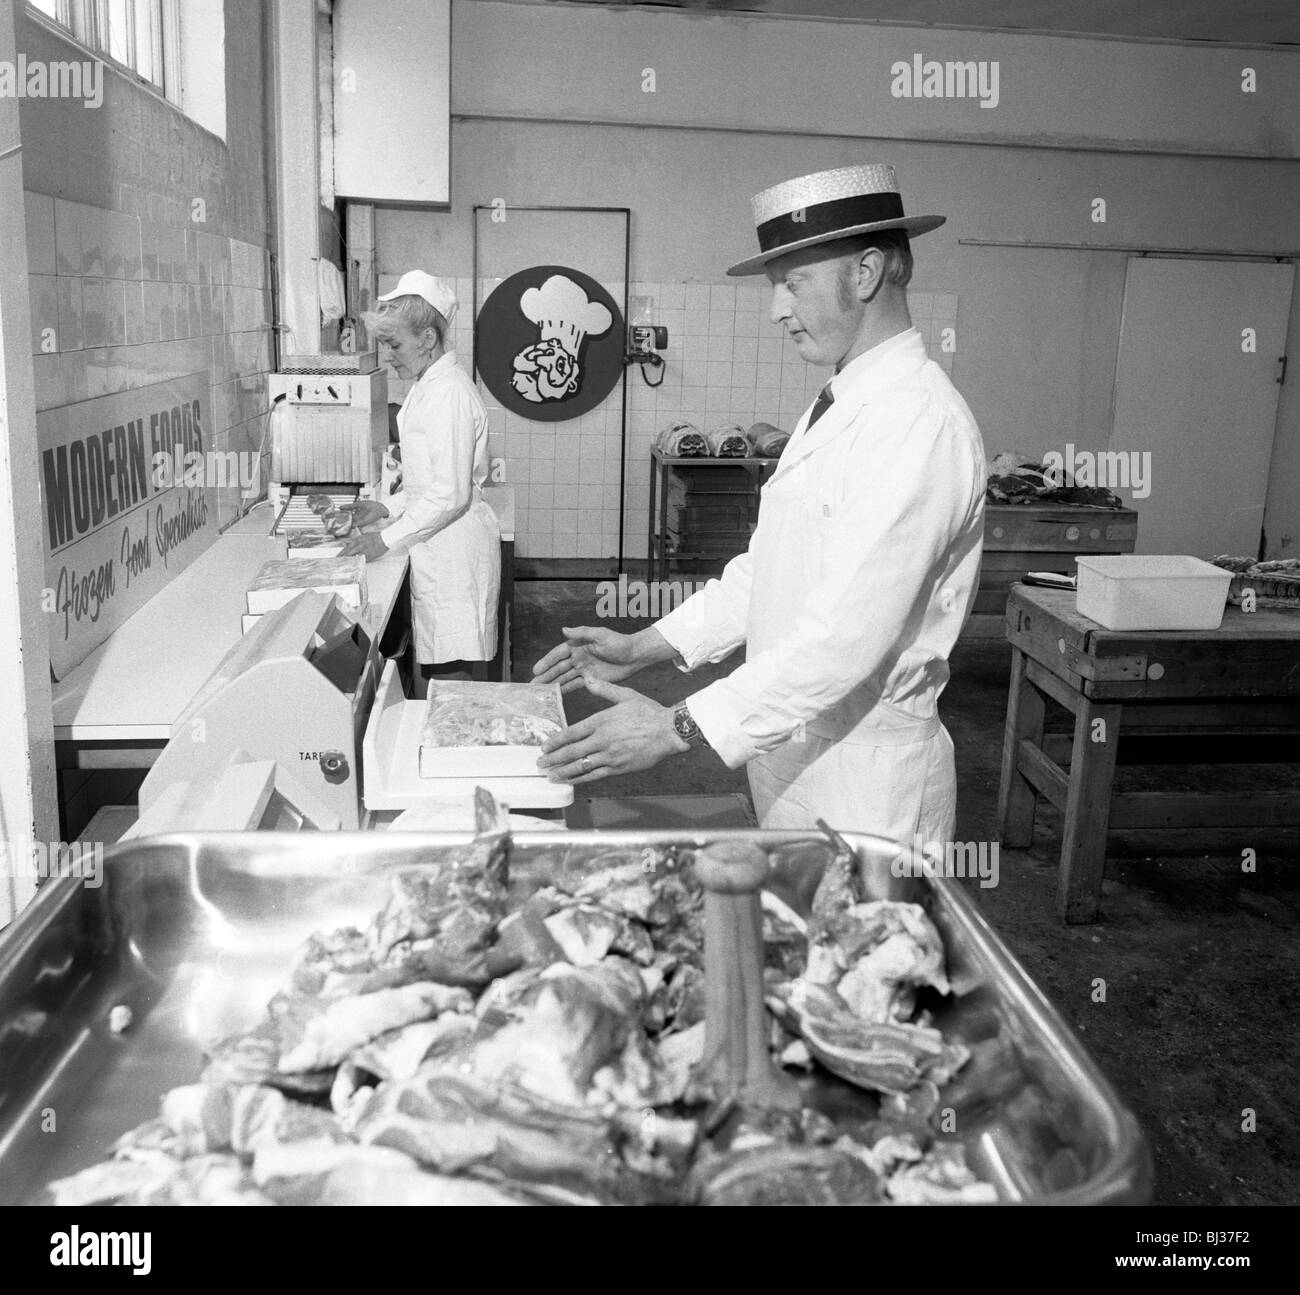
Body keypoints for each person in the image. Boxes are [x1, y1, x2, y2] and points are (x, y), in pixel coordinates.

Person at [533, 164, 986, 847]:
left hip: (867, 787)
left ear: (864, 275)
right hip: (794, 752)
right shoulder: (839, 404)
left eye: (792, 281)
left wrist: (674, 724)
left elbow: (843, 638)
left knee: (858, 949)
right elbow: (769, 568)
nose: (776, 308)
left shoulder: (918, 423)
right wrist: (644, 646)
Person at [340, 271, 500, 690]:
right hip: (438, 541)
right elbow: (428, 482)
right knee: (438, 660)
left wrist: (384, 540)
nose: (389, 356)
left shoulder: (448, 393)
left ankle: (453, 748)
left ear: (427, 339)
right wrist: (386, 508)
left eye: (394, 344)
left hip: (453, 548)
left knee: (450, 670)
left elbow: (449, 494)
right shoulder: (429, 384)